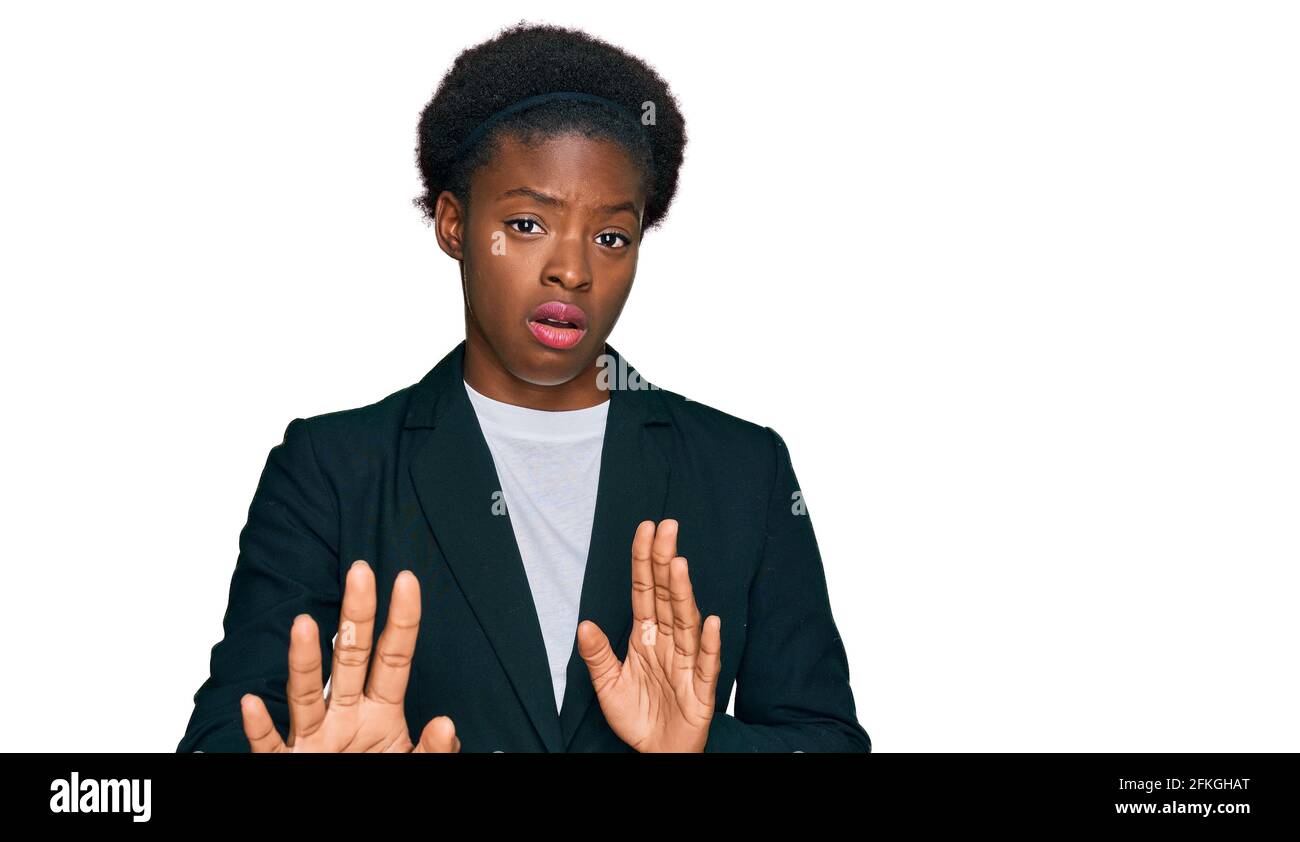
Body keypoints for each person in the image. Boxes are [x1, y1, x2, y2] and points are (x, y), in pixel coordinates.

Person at [177, 22, 871, 753]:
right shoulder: (332, 467)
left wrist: (698, 748)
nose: (571, 270)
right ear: (454, 224)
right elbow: (222, 734)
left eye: (611, 237)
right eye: (528, 223)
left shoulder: (743, 470)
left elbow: (824, 740)